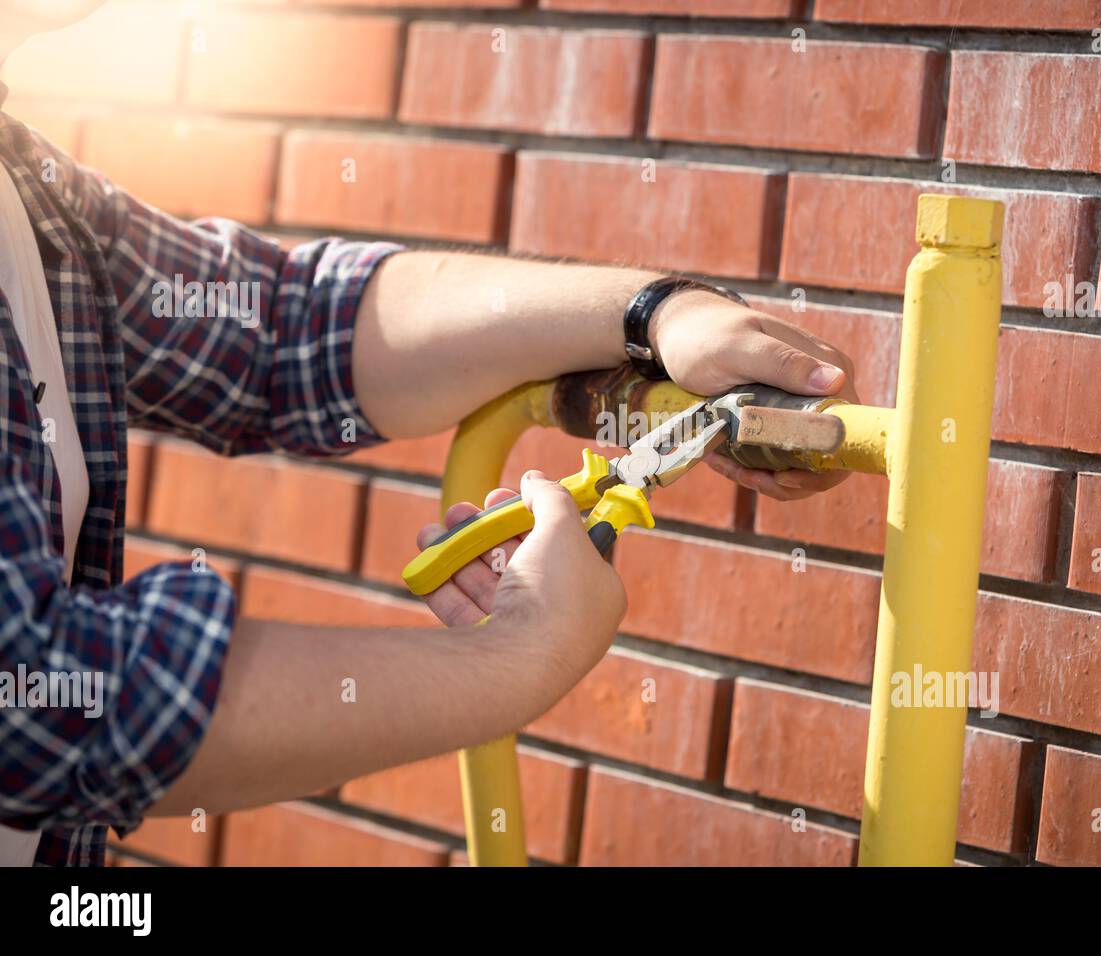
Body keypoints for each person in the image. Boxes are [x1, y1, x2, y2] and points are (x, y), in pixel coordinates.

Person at [0, 0, 857, 866]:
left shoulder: (26, 189)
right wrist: (518, 662)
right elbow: (33, 701)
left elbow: (287, 329)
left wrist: (660, 314)